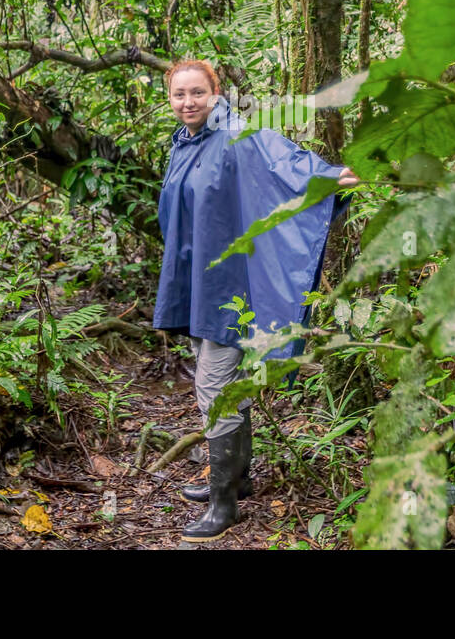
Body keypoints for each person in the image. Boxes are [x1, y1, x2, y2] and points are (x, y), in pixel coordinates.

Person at [153, 59, 358, 542]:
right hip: (200, 280)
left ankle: (224, 505)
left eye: (197, 93)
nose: (188, 103)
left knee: (214, 386)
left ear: (215, 92)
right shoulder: (184, 142)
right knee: (218, 375)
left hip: (229, 284)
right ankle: (239, 477)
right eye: (179, 94)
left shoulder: (237, 133)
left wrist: (325, 178)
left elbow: (279, 160)